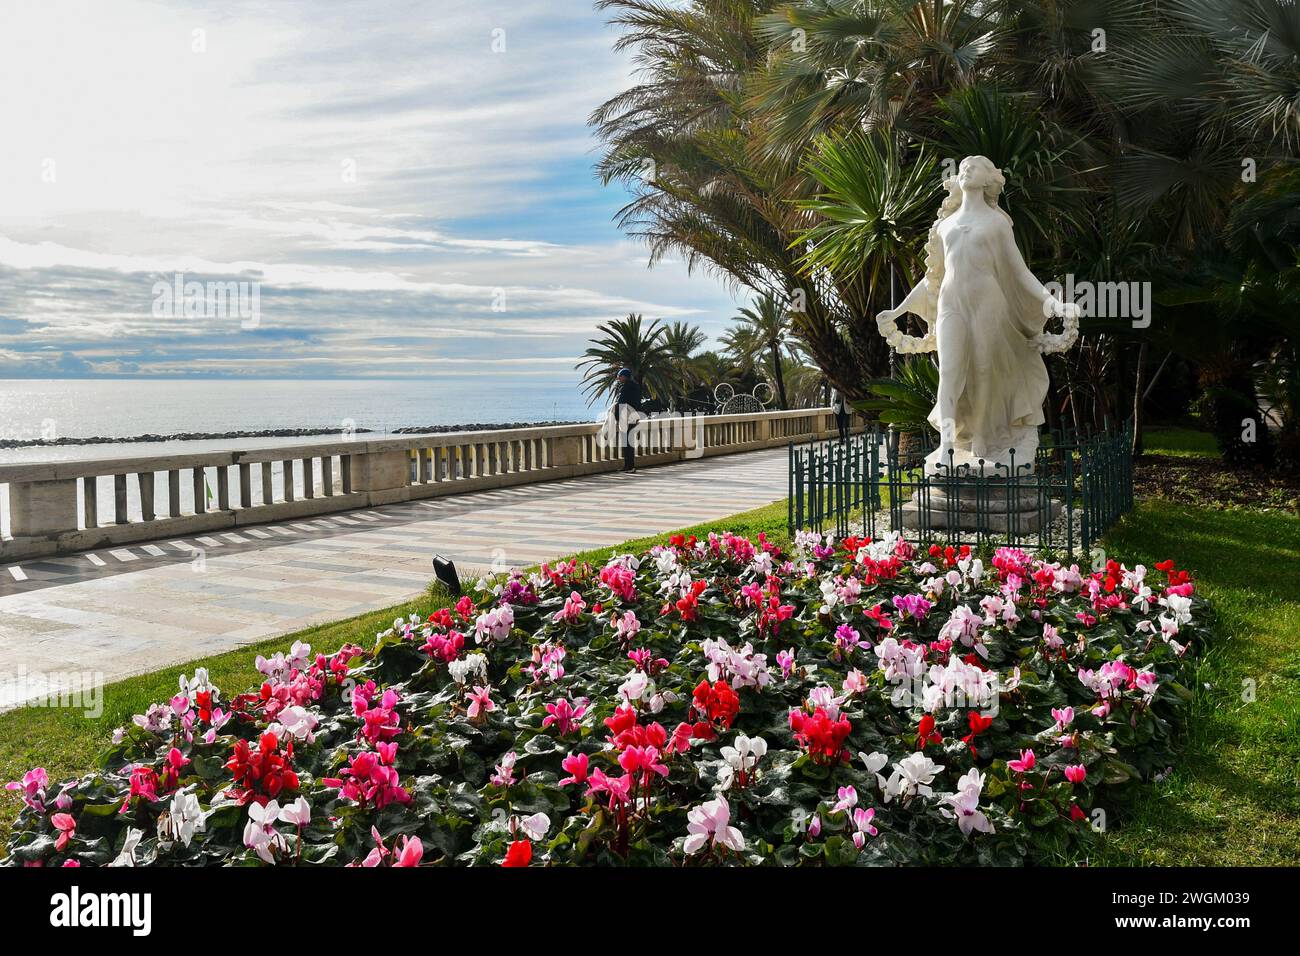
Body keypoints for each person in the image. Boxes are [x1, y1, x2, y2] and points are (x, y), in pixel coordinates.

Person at [613, 367, 644, 473]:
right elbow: (637, 403)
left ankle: (629, 466)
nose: (618, 379)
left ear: (624, 377)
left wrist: (616, 416)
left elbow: (621, 403)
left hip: (626, 417)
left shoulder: (627, 387)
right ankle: (628, 466)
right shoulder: (635, 386)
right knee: (628, 442)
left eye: (619, 377)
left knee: (627, 443)